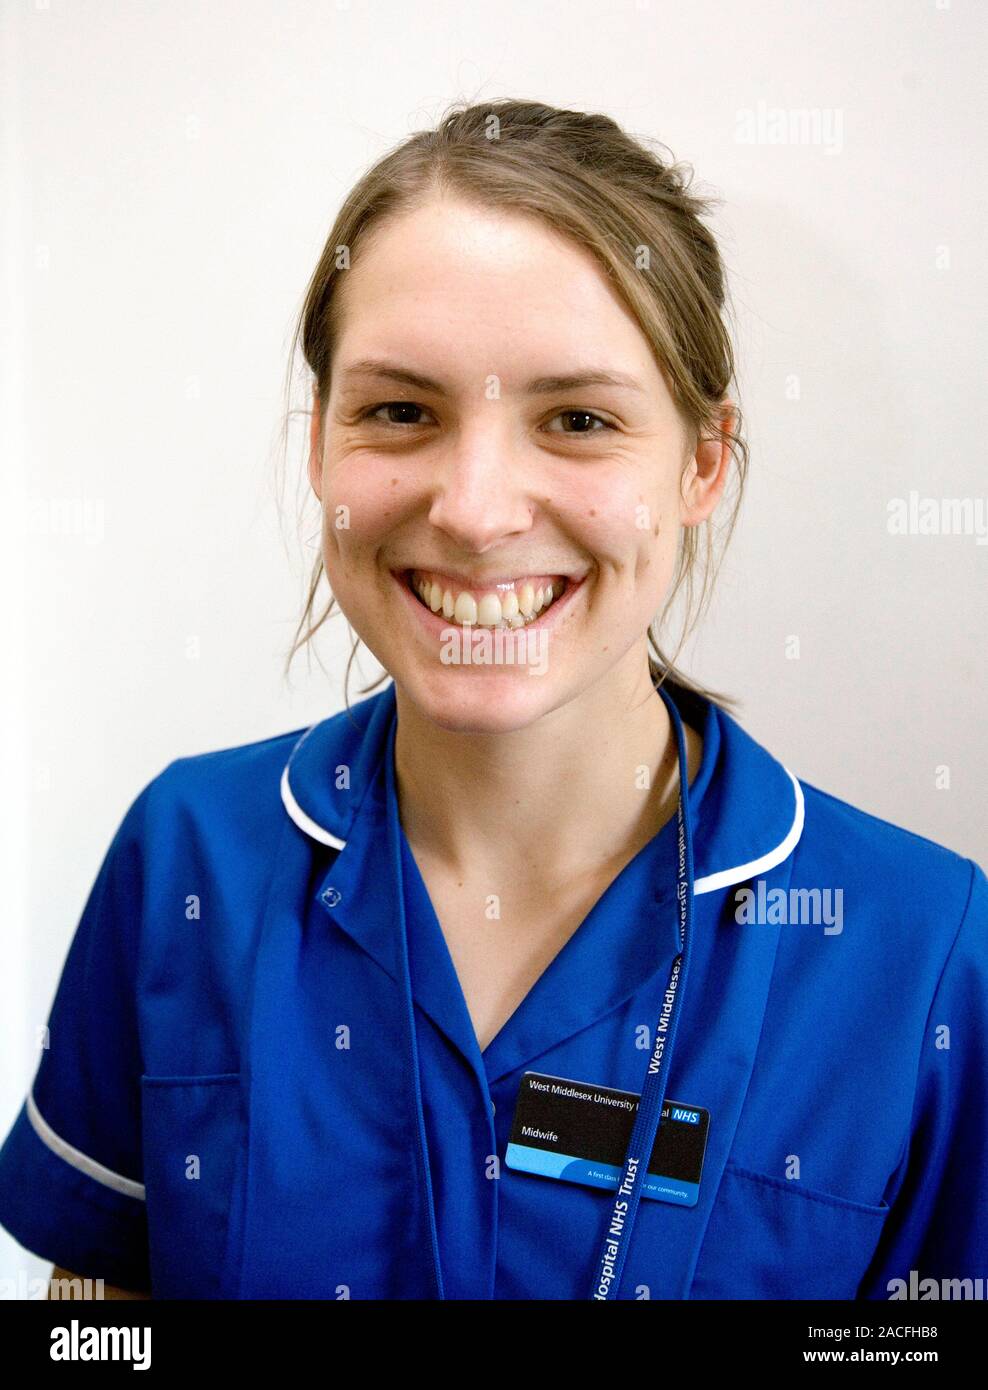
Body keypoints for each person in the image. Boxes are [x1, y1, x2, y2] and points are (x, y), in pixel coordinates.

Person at [0, 100, 984, 1301]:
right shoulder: (188, 858)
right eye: (400, 411)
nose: (473, 509)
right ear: (320, 449)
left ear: (700, 462)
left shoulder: (919, 949)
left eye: (577, 420)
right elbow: (98, 1312)